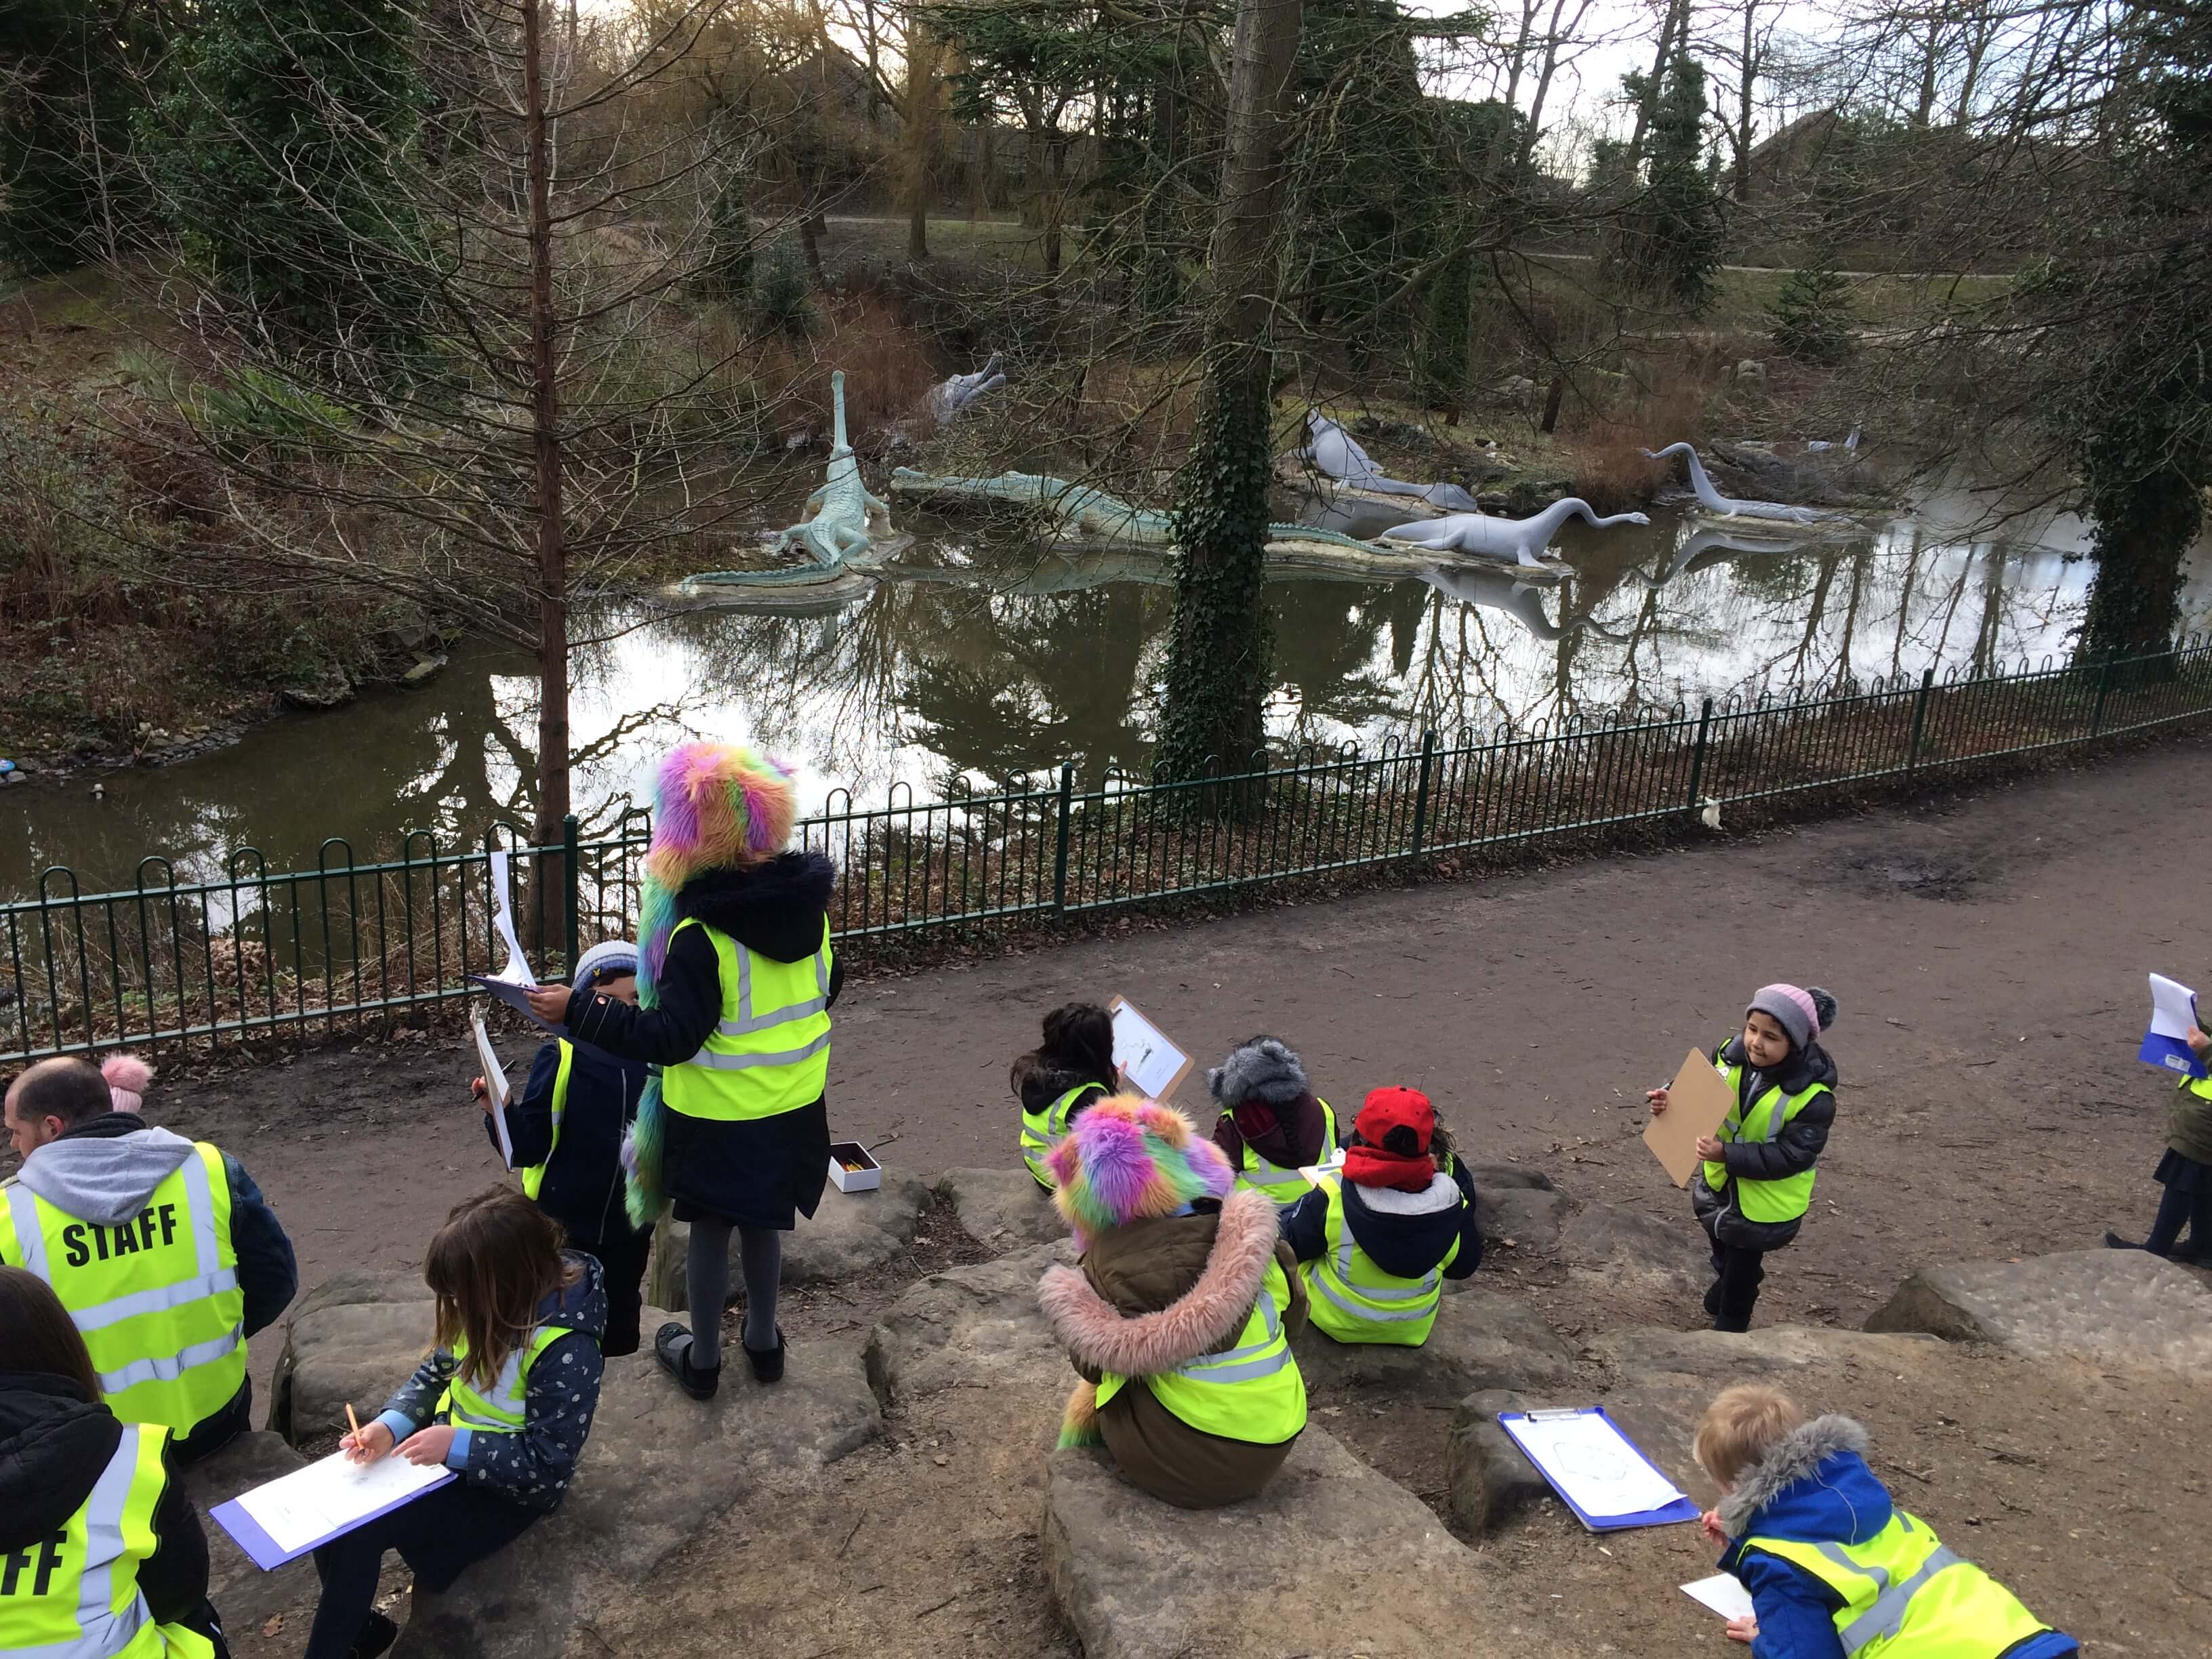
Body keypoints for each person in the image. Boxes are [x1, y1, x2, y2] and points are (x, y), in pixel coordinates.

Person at [529, 741, 838, 1401]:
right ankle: (762, 1341)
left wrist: (580, 1011)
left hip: (718, 1118)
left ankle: (702, 1359)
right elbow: (825, 991)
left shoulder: (701, 936)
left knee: (709, 1230)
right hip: (793, 1111)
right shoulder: (811, 919)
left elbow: (667, 1038)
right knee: (764, 1223)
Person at [308, 1187, 605, 1659]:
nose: (454, 1308)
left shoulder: (567, 1348)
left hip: (505, 1496)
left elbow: (549, 1466)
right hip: (447, 1464)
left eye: (460, 1296)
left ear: (502, 1284)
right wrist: (391, 1424)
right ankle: (358, 1629)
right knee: (338, 1514)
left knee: (360, 1532)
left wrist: (456, 1445)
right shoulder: (491, 1304)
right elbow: (433, 1374)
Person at [0, 1055, 298, 1462]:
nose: (14, 1145)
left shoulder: (10, 1215)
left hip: (95, 1443)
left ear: (52, 1128)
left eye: (16, 1131)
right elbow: (276, 1278)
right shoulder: (209, 1169)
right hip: (216, 1420)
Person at [1037, 1092, 1309, 1511]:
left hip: (1180, 1462)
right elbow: (1294, 1319)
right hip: (1278, 1435)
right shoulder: (1250, 1238)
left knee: (1103, 1387)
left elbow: (1093, 1365)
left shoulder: (1104, 1264)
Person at [1694, 1383, 2078, 1656]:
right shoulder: (1874, 1508)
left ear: (1732, 1486)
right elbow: (1822, 1540)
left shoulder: (1777, 1566)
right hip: (2028, 1642)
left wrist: (1769, 1636)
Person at [0, 1264, 230, 1658]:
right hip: (217, 1418)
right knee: (196, 1621)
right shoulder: (131, 1461)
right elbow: (179, 1593)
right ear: (60, 1345)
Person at [472, 939, 653, 1356]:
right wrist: (500, 1110)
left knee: (621, 1317)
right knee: (558, 1323)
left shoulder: (656, 1058)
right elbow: (527, 1147)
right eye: (606, 1000)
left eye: (636, 1000)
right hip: (563, 1225)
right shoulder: (560, 1056)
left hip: (633, 1221)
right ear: (579, 1003)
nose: (623, 1011)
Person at [1648, 985, 1837, 1333]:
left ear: (1796, 1043)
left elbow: (1794, 1155)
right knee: (1721, 1245)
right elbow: (1696, 1089)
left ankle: (1731, 1327)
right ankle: (1729, 1280)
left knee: (1742, 1267)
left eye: (1771, 1037)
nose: (1755, 1042)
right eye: (1752, 1029)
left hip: (1766, 1202)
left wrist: (1727, 1153)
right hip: (1722, 1185)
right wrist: (1668, 1099)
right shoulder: (1728, 1057)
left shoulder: (1813, 1098)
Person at [1280, 1087, 1481, 1345]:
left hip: (1337, 1320)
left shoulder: (1333, 1192)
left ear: (1361, 1139)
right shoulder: (1452, 1204)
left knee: (1314, 1241)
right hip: (1413, 1326)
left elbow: (1291, 1244)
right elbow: (1464, 1266)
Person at [2105, 1021, 2212, 1261]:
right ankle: (2203, 1246)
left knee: (2183, 1177)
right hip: (2202, 1111)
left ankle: (2154, 1253)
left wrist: (2208, 1048)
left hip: (2204, 1122)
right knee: (2203, 1178)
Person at [1207, 1036, 1338, 1208]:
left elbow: (1212, 1177)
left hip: (1261, 1224)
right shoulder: (1323, 1108)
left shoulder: (1233, 1122)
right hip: (1320, 1214)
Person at [1014, 1002, 1118, 1190]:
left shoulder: (1038, 1074)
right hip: (1067, 1188)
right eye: (1110, 1040)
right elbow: (1111, 1148)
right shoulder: (1089, 1097)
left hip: (1039, 1171)